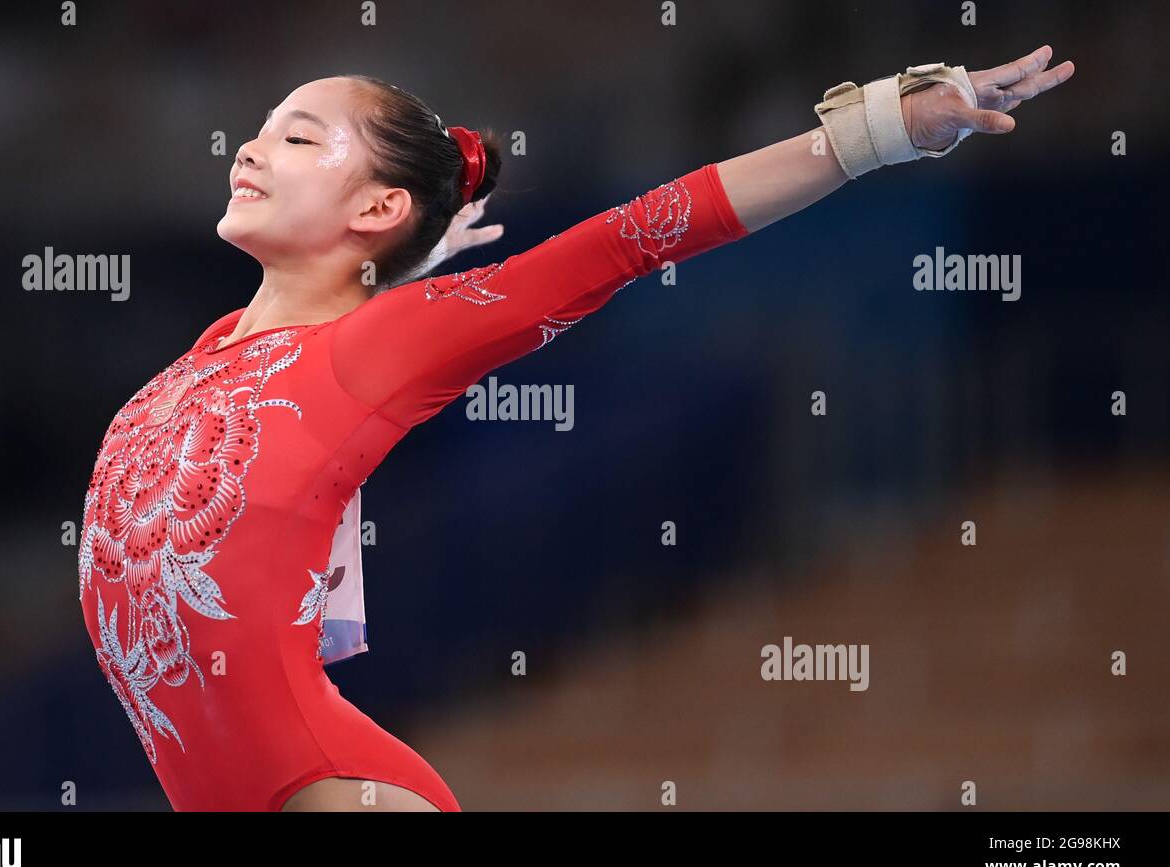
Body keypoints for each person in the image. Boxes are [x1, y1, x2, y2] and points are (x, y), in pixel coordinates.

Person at [77, 49, 1073, 811]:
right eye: (260, 130)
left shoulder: (380, 346)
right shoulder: (209, 350)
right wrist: (406, 269)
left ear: (379, 204)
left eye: (297, 136)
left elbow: (636, 234)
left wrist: (877, 131)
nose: (249, 148)